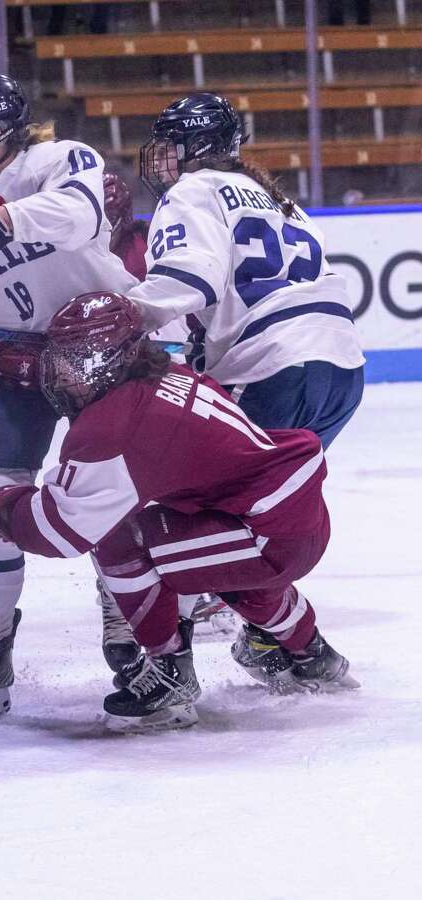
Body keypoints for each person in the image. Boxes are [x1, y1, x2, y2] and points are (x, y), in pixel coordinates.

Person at [0, 291, 357, 731]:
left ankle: (170, 670)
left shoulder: (115, 426)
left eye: (74, 359)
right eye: (60, 358)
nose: (63, 373)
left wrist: (2, 508)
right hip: (283, 514)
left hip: (268, 535)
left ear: (108, 361)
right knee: (226, 570)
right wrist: (30, 362)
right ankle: (313, 655)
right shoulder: (164, 374)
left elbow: (62, 531)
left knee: (121, 539)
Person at [0, 73, 137, 723]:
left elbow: (81, 216)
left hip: (100, 349)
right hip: (11, 360)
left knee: (104, 487)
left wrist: (1, 215)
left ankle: (129, 620)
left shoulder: (57, 160)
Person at [131, 92, 366, 675]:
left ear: (198, 149)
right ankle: (272, 637)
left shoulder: (193, 191)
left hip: (272, 368)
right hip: (341, 367)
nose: (162, 160)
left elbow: (190, 280)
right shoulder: (281, 201)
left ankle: (174, 660)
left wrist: (117, 316)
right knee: (259, 514)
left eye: (172, 146)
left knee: (202, 513)